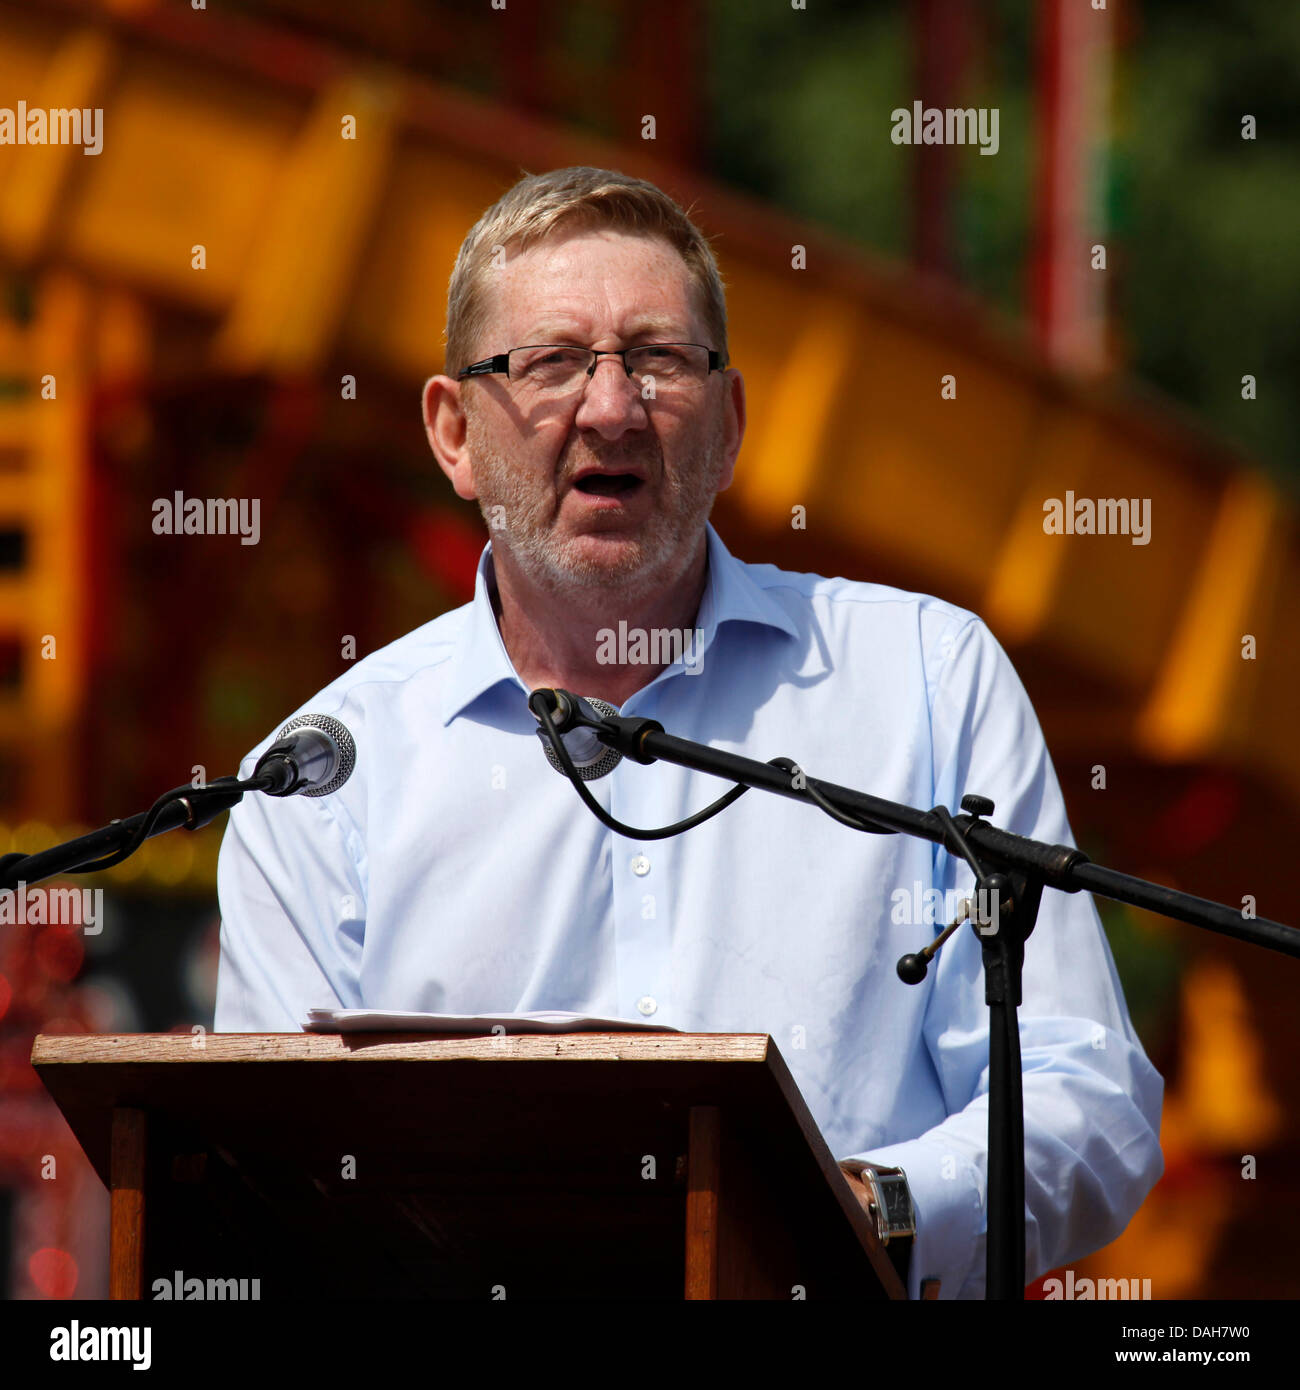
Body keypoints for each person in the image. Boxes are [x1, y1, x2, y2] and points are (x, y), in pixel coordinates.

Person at [214, 166, 1163, 1299]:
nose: (611, 408)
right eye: (553, 362)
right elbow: (259, 1180)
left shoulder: (922, 678)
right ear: (454, 433)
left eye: (659, 361)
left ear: (730, 425)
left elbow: (1082, 1092)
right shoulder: (324, 773)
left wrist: (861, 1212)